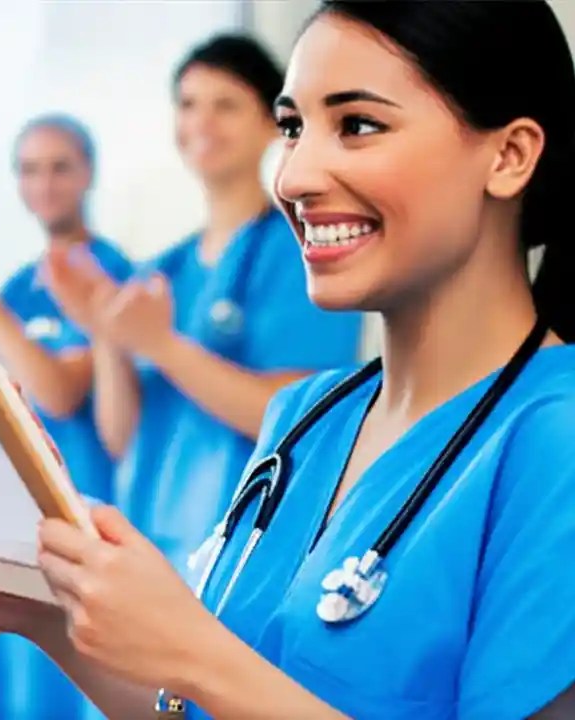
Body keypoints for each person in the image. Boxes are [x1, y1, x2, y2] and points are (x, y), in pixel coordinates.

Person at [0, 1, 575, 718]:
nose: (294, 176)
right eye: (293, 128)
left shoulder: (552, 440)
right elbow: (191, 705)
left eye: (358, 125)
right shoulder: (306, 419)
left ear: (510, 156)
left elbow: (206, 673)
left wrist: (191, 651)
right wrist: (43, 611)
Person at [44, 34, 362, 581]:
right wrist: (107, 336)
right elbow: (123, 437)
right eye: (188, 104)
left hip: (251, 554)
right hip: (153, 555)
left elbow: (300, 418)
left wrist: (161, 346)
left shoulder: (304, 258)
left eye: (226, 105)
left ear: (273, 124)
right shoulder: (158, 274)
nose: (202, 122)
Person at [0, 114, 133, 720]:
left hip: (80, 523)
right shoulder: (20, 287)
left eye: (59, 167)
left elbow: (59, 392)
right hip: (10, 534)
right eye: (30, 169)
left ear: (88, 174)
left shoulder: (113, 275)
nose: (44, 184)